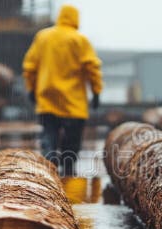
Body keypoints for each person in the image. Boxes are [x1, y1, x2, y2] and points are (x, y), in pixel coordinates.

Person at [23, 4, 103, 176]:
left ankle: (49, 165)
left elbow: (30, 66)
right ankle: (68, 170)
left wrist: (31, 88)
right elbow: (92, 68)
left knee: (48, 135)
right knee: (72, 140)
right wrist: (96, 91)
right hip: (73, 102)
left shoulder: (43, 37)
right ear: (75, 18)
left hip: (47, 98)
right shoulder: (79, 40)